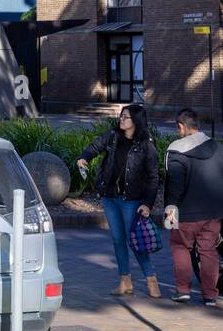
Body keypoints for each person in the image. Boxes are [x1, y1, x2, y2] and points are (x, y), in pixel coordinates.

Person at [76, 104, 162, 298]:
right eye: (121, 116)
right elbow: (95, 146)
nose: (121, 120)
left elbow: (153, 177)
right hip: (110, 197)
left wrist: (147, 203)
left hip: (131, 200)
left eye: (126, 117)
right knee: (117, 240)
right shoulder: (113, 136)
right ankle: (125, 282)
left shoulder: (146, 144)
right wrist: (84, 157)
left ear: (136, 121)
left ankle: (151, 280)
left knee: (135, 241)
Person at [163, 108, 223, 308]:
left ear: (181, 126)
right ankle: (210, 296)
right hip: (213, 213)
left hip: (185, 213)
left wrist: (169, 216)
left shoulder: (176, 151)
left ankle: (183, 291)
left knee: (180, 247)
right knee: (209, 251)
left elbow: (174, 187)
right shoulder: (217, 147)